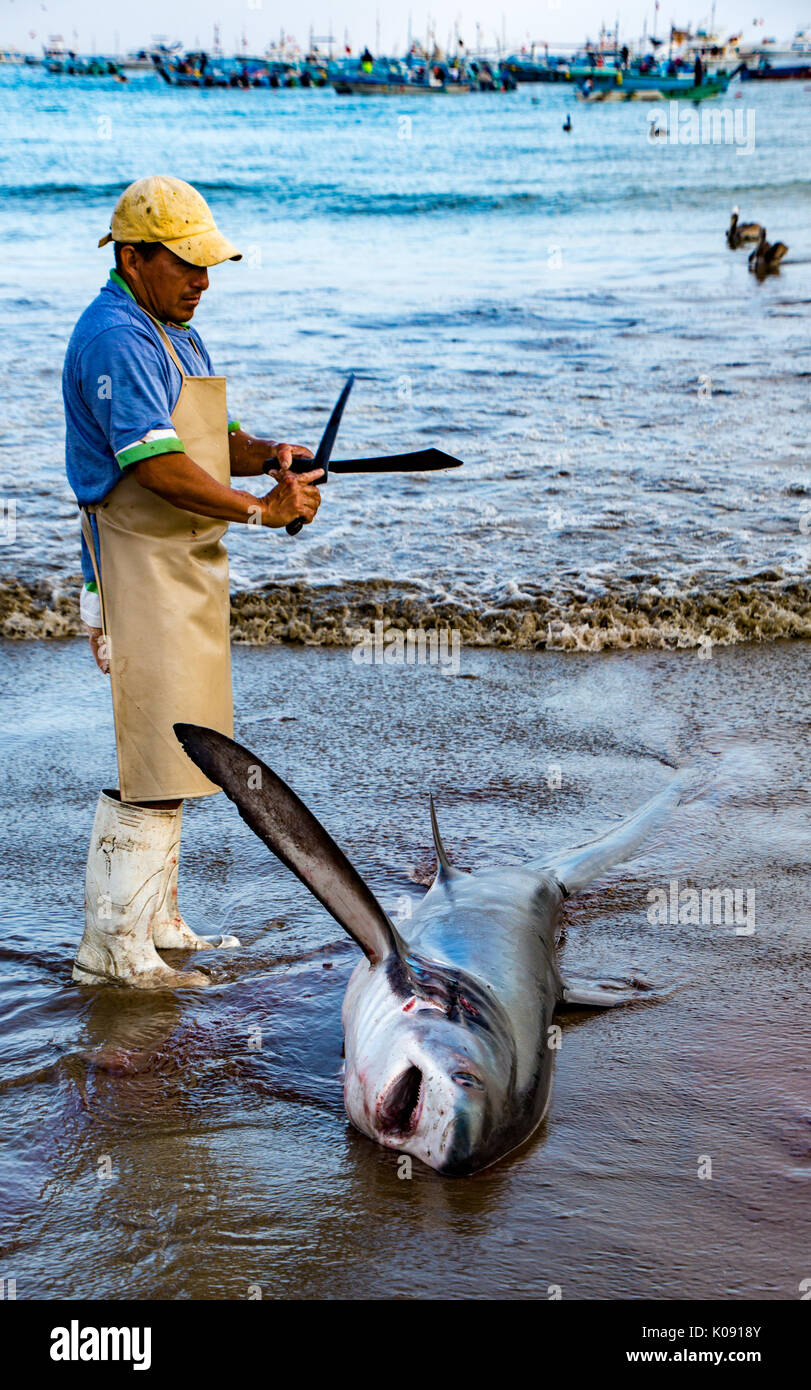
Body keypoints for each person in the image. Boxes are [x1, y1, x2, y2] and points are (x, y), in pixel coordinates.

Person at [62, 176, 322, 989]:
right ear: (133, 257)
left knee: (184, 742)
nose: (203, 282)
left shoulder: (172, 327)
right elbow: (159, 464)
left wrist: (271, 454)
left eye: (208, 266)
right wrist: (259, 512)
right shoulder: (116, 337)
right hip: (138, 559)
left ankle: (158, 920)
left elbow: (214, 439)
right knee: (151, 743)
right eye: (187, 265)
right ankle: (113, 947)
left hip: (184, 561)